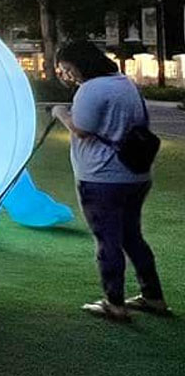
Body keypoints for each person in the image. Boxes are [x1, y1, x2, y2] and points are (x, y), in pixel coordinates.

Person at [51, 40, 168, 321]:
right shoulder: (124, 83)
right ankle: (153, 297)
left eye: (68, 69)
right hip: (135, 176)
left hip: (102, 178)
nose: (68, 75)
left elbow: (81, 129)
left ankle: (114, 303)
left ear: (80, 64)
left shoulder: (91, 89)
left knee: (108, 241)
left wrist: (59, 113)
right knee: (132, 237)